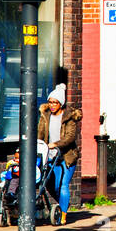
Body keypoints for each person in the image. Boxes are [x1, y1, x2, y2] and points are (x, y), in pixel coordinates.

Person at [38, 83, 81, 223]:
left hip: (67, 157)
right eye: (50, 102)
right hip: (50, 156)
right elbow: (40, 134)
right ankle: (62, 205)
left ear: (60, 103)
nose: (52, 105)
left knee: (63, 185)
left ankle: (63, 215)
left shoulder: (69, 118)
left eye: (55, 103)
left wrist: (55, 144)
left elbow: (70, 137)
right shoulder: (45, 117)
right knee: (52, 185)